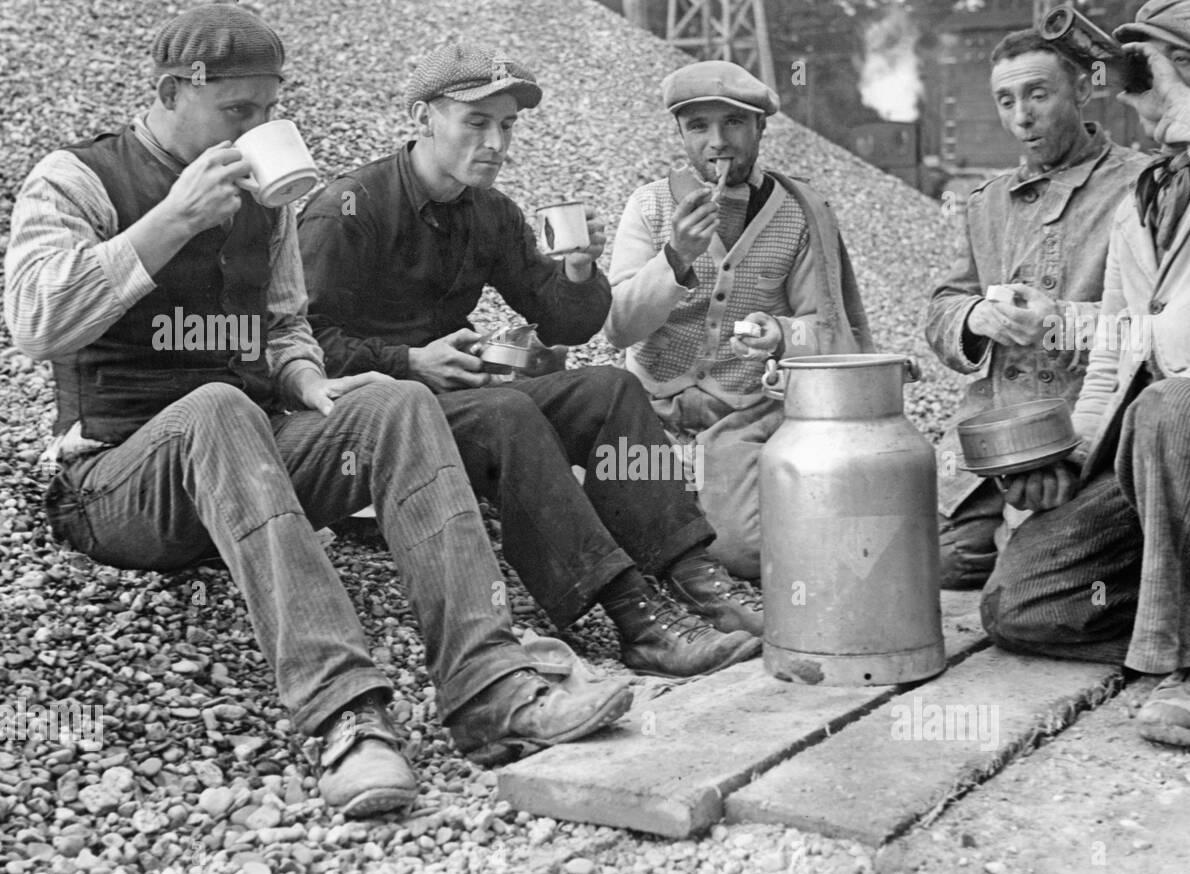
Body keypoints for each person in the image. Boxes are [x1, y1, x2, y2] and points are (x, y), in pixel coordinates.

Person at [2, 4, 636, 817]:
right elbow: (34, 322)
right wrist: (169, 222)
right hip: (114, 481)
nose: (260, 126)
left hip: (246, 462)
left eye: (269, 109)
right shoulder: (78, 178)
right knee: (219, 406)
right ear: (169, 91)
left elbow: (287, 325)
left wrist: (309, 382)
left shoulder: (265, 199)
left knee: (399, 403)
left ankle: (489, 685)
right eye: (240, 111)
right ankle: (348, 718)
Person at [297, 43, 763, 679]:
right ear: (421, 118)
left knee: (608, 389)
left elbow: (569, 322)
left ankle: (698, 579)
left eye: (507, 125)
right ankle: (638, 621)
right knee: (507, 412)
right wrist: (409, 360)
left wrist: (577, 272)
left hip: (446, 399)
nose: (496, 142)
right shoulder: (349, 209)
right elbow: (294, 338)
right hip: (363, 415)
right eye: (476, 123)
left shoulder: (490, 212)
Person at [981, 0, 1190, 752]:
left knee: (1174, 406)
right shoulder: (1145, 202)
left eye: (1182, 61)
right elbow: (1120, 351)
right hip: (1186, 466)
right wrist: (1073, 457)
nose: (1156, 82)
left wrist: (1175, 100)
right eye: (1147, 64)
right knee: (1023, 603)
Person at [605, 60, 871, 579]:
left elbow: (835, 337)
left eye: (734, 123)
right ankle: (683, 493)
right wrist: (675, 258)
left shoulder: (798, 212)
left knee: (740, 552)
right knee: (601, 524)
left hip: (742, 416)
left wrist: (783, 335)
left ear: (761, 127)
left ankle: (700, 495)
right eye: (698, 126)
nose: (717, 142)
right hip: (648, 410)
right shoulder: (649, 206)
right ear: (680, 132)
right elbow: (618, 327)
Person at [926, 28, 1148, 590]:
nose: (1021, 116)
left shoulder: (1140, 186)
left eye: (1038, 94)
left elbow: (1162, 321)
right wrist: (975, 316)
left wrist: (1061, 322)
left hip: (1096, 424)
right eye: (1006, 101)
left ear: (1081, 89)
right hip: (998, 426)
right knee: (937, 560)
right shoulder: (987, 202)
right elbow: (942, 306)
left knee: (1029, 580)